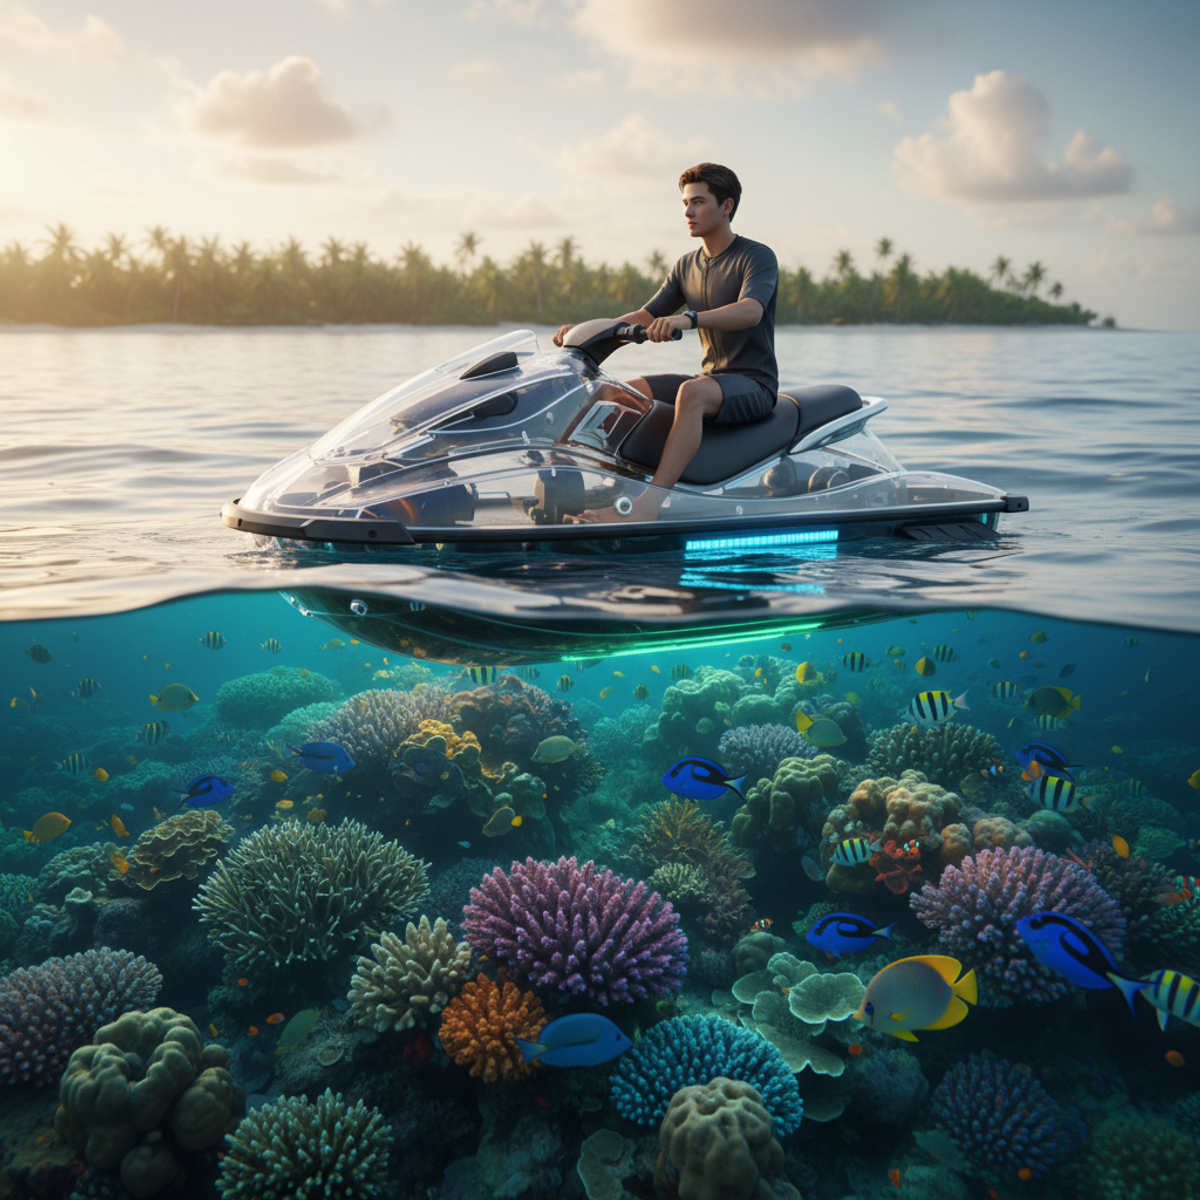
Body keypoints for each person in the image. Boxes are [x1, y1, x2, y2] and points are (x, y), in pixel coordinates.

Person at [553, 162, 778, 523]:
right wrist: (586, 332)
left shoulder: (756, 256)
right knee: (618, 394)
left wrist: (689, 318)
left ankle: (647, 506)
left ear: (727, 206)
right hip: (711, 379)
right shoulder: (686, 266)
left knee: (691, 393)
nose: (688, 212)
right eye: (685, 203)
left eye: (698, 202)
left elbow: (751, 310)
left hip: (754, 384)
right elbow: (645, 316)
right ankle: (609, 489)